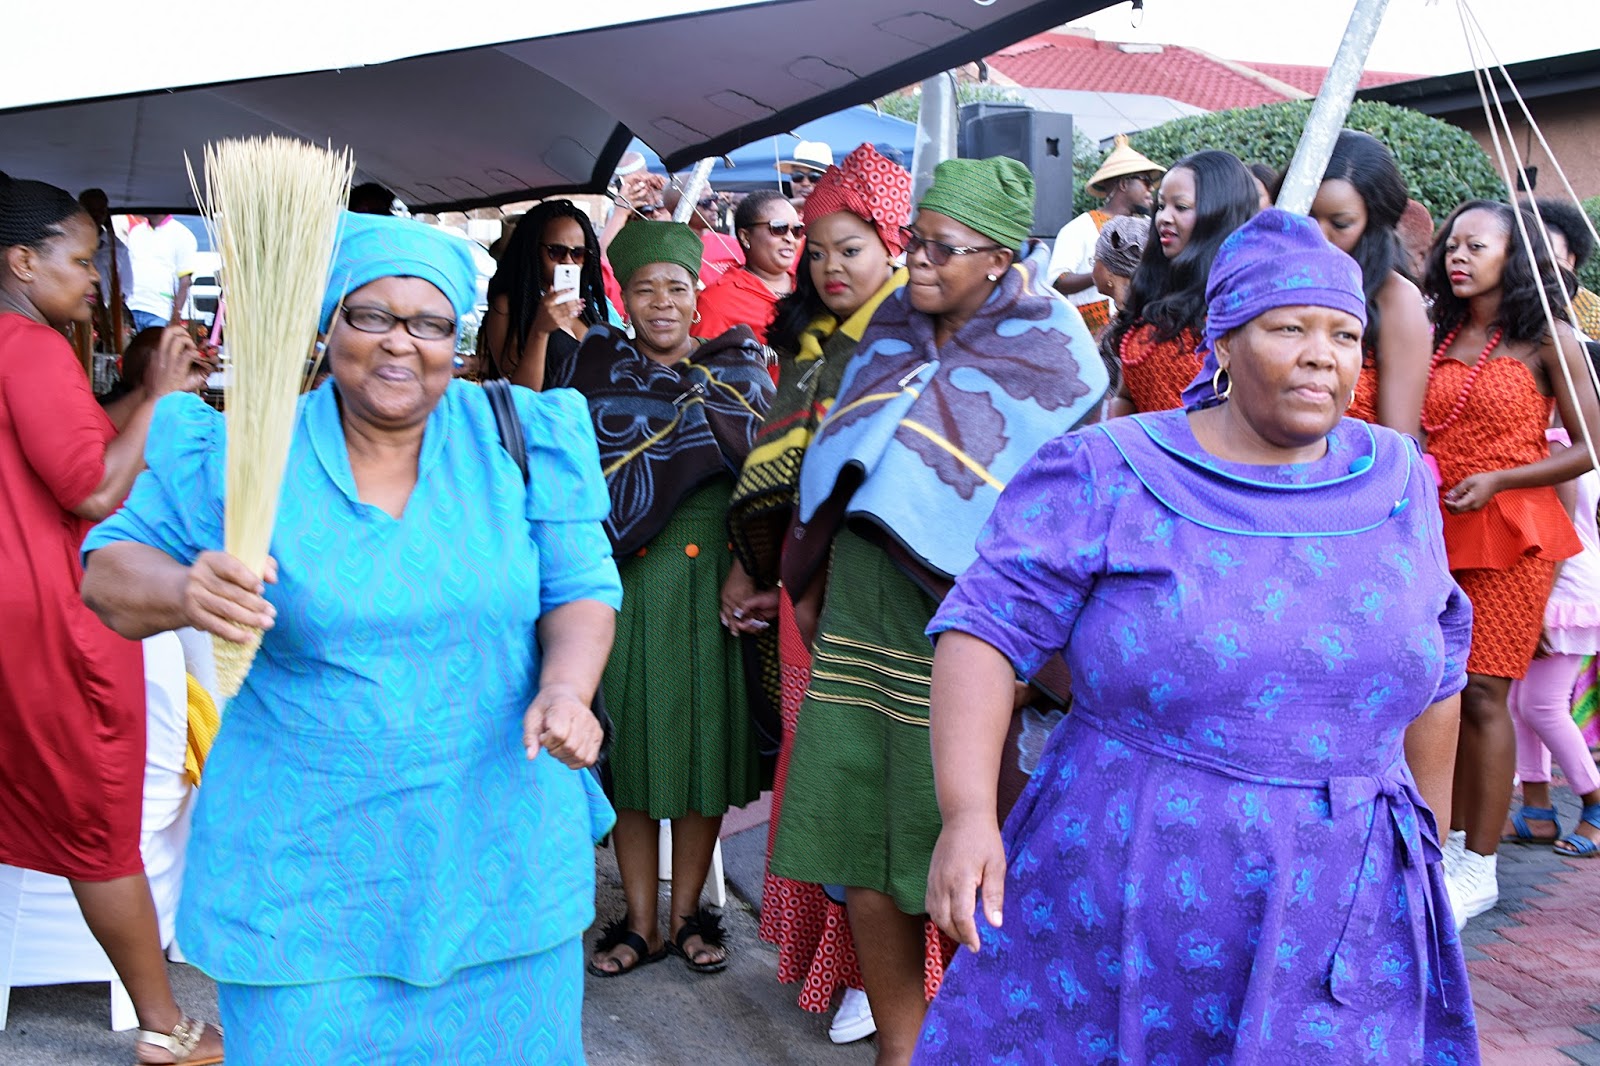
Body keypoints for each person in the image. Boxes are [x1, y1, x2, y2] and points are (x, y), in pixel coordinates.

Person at [916, 208, 1478, 1064]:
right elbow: (985, 631)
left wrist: (1424, 848)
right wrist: (965, 817)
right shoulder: (1111, 469)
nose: (1321, 353)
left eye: (1343, 333)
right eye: (1288, 328)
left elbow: (1438, 666)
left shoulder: (1400, 479)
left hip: (1347, 893)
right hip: (1131, 872)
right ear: (1221, 342)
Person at [80, 211, 622, 1065]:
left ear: (458, 335)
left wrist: (567, 688)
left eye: (430, 322)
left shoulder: (519, 435)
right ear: (329, 324)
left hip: (497, 863)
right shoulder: (248, 452)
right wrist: (186, 589)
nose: (401, 343)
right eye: (371, 315)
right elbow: (106, 572)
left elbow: (580, 588)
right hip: (306, 880)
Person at [770, 157, 1108, 1066]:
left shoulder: (1058, 350)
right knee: (857, 844)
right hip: (861, 612)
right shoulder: (885, 329)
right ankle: (901, 1047)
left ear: (1000, 258)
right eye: (912, 242)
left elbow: (1068, 516)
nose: (914, 262)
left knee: (958, 845)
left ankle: (978, 1035)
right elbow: (833, 453)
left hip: (971, 630)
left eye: (940, 249)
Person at [0, 176, 224, 1066]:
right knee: (100, 824)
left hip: (18, 609)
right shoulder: (33, 347)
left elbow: (82, 440)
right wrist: (165, 397)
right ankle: (165, 1029)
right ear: (22, 260)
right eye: (84, 258)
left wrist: (147, 393)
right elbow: (93, 486)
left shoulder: (22, 343)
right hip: (59, 615)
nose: (98, 277)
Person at [549, 220, 774, 979]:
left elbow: (773, 478)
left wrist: (752, 567)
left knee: (704, 747)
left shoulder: (739, 372)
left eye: (675, 288)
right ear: (625, 297)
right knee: (636, 744)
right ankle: (640, 921)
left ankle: (689, 917)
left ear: (695, 294)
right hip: (626, 579)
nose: (661, 303)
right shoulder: (596, 371)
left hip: (717, 577)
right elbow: (570, 474)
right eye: (644, 290)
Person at [726, 143, 914, 1044]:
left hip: (877, 603)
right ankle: (844, 970)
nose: (832, 266)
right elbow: (784, 475)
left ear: (895, 248)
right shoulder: (812, 345)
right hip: (811, 599)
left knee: (871, 794)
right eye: (819, 248)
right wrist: (765, 571)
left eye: (853, 248)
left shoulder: (910, 340)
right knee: (824, 785)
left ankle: (885, 985)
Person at [1421, 199, 1600, 928]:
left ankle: (1481, 865)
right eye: (1452, 245)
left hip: (1513, 535)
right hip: (1432, 529)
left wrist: (1502, 479)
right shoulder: (1439, 333)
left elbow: (1590, 447)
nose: (1458, 256)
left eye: (1478, 246)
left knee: (1486, 694)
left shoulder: (1550, 338)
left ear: (1515, 256)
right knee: (1438, 696)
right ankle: (1443, 843)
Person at [1186, 131, 1432, 439]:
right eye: (1307, 216)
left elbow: (1399, 439)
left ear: (1373, 224)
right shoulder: (1255, 275)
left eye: (1340, 224)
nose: (1318, 235)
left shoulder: (1396, 299)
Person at [1101, 150, 1258, 416]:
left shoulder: (1250, 309)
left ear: (1220, 216)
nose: (1163, 218)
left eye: (1181, 207)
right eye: (1161, 206)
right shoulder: (1154, 294)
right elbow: (1126, 397)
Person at [1504, 419, 1600, 856]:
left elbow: (1562, 537)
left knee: (1539, 705)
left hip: (1563, 589)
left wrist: (1538, 604)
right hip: (1547, 584)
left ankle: (1595, 802)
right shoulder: (1557, 444)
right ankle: (1537, 814)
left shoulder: (1562, 450)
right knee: (1518, 703)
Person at [481, 199, 607, 389]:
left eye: (578, 253)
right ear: (532, 250)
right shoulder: (508, 305)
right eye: (556, 251)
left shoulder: (587, 306)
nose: (568, 262)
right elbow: (522, 395)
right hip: (546, 417)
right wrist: (540, 331)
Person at [1048, 134, 1163, 337]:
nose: (1151, 189)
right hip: (1090, 339)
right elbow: (1057, 281)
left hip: (1140, 335)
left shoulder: (1149, 228)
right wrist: (1104, 272)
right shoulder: (1079, 228)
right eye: (1145, 181)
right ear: (1124, 184)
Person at [693, 190, 801, 347]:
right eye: (779, 228)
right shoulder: (717, 302)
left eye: (797, 230)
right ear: (745, 236)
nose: (790, 238)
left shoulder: (810, 278)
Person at [1535, 197, 1600, 338]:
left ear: (1570, 260)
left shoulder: (1594, 312)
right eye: (1532, 258)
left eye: (1552, 259)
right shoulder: (1503, 304)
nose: (1540, 267)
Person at [78, 187, 133, 347]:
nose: (96, 216)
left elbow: (126, 288)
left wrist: (107, 316)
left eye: (100, 211)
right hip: (75, 310)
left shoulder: (118, 248)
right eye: (90, 210)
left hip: (107, 318)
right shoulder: (67, 243)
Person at [125, 213, 198, 332]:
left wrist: (175, 318)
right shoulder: (136, 232)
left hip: (161, 312)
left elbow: (185, 281)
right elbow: (127, 271)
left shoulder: (182, 235)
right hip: (132, 308)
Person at [1090, 214, 1149, 315]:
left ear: (1109, 271)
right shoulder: (1147, 313)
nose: (1093, 268)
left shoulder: (1135, 323)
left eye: (1095, 260)